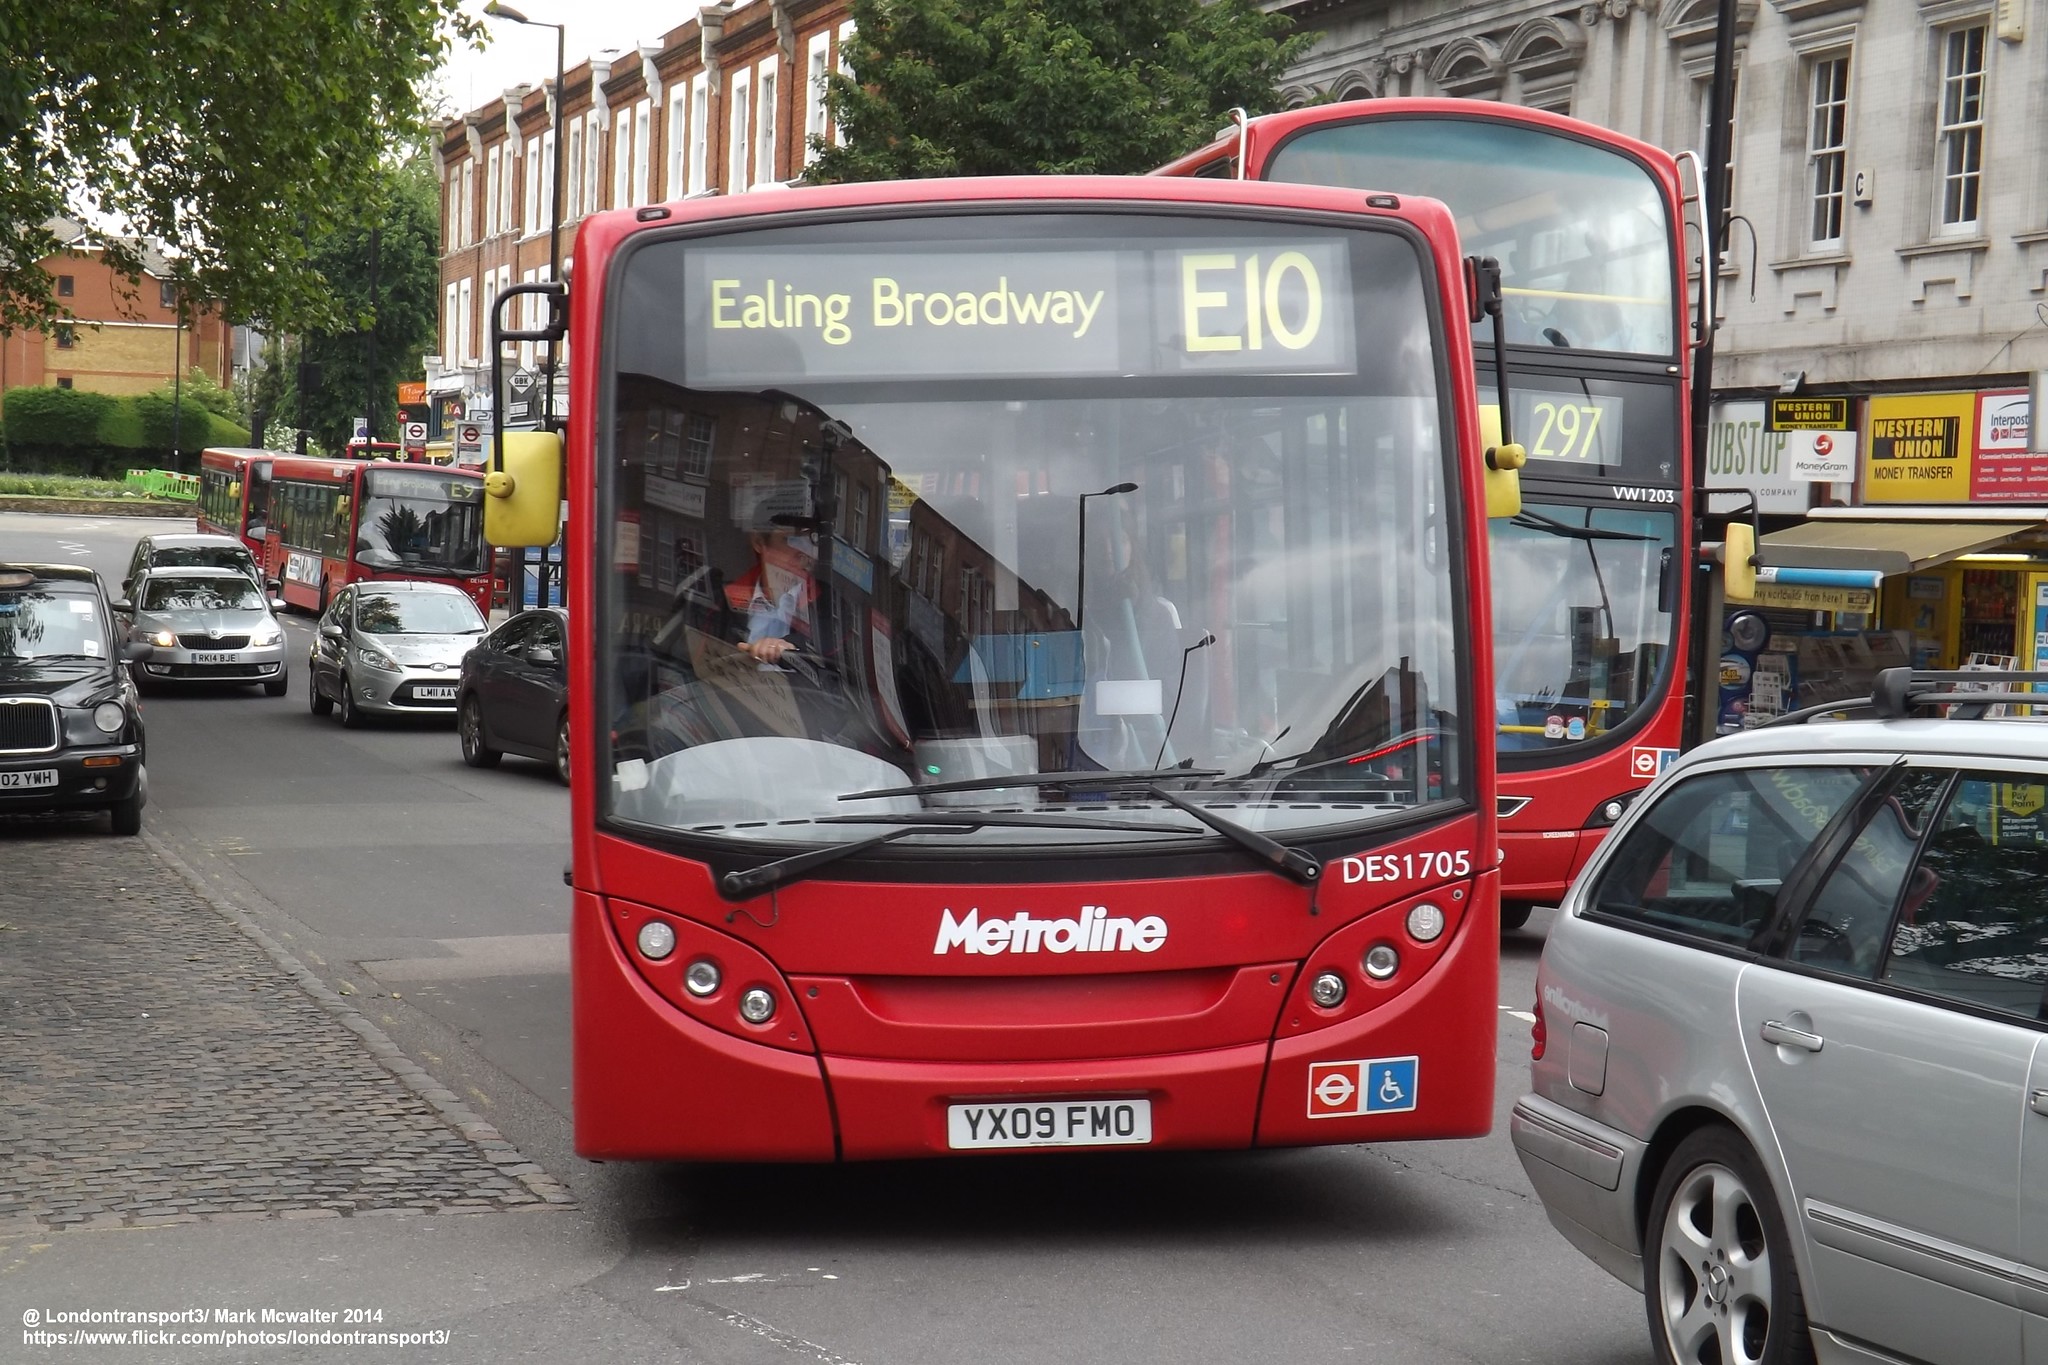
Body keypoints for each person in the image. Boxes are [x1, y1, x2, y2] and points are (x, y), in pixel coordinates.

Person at [723, 527, 818, 664]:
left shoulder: (825, 607)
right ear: (759, 542)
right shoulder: (726, 601)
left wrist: (793, 649)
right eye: (789, 540)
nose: (803, 551)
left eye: (810, 541)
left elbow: (834, 665)